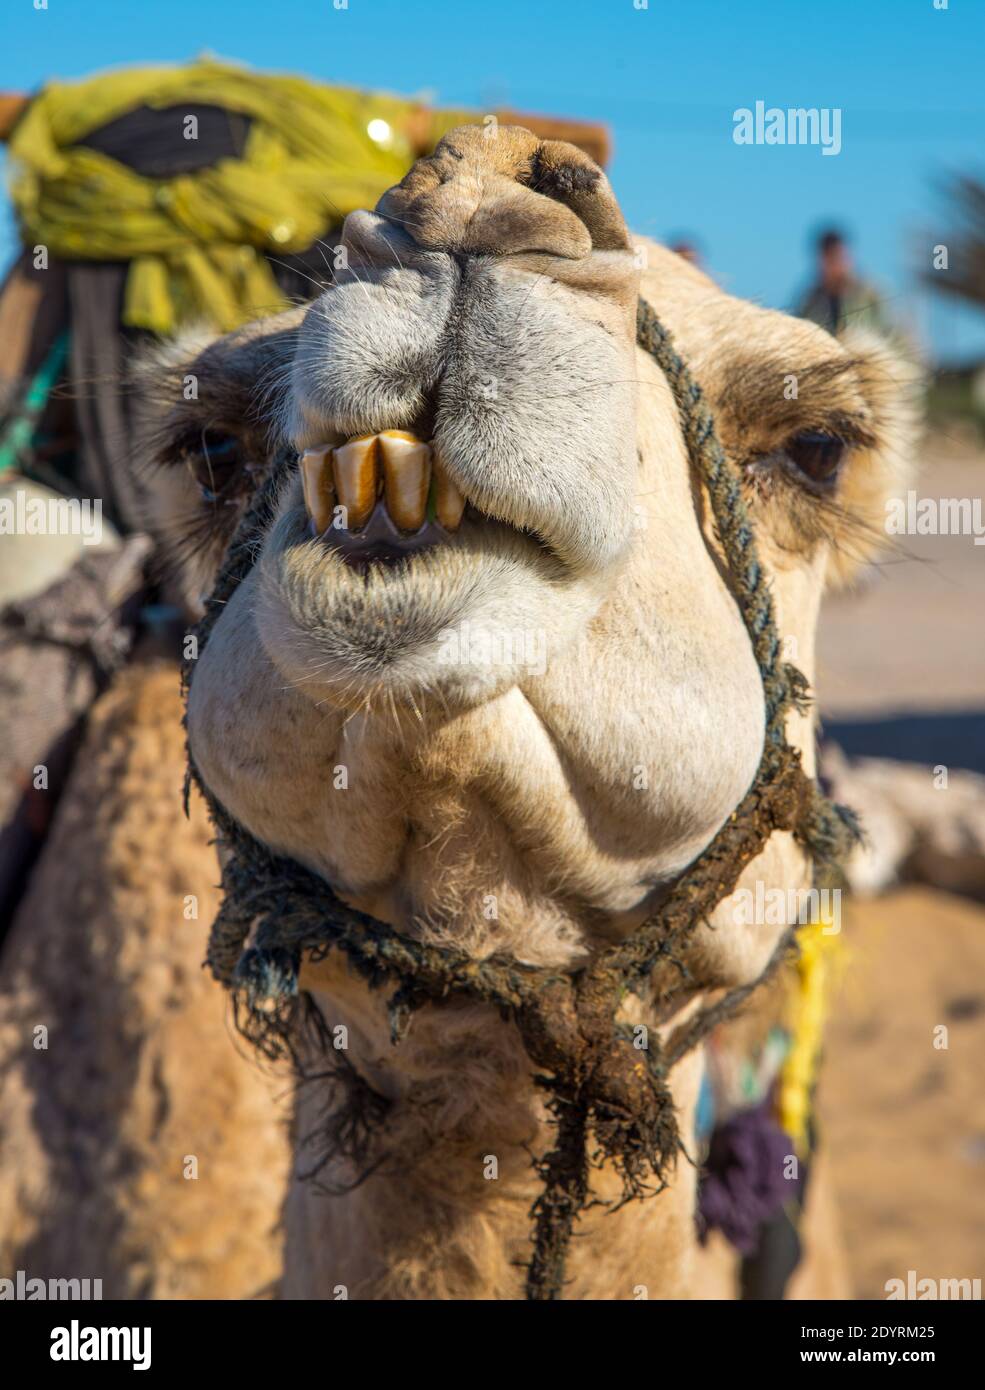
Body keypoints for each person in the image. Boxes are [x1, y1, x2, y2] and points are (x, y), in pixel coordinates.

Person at [794, 227, 892, 338]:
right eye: (830, 259)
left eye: (838, 257)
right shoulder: (809, 301)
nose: (835, 265)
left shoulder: (871, 294)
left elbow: (895, 334)